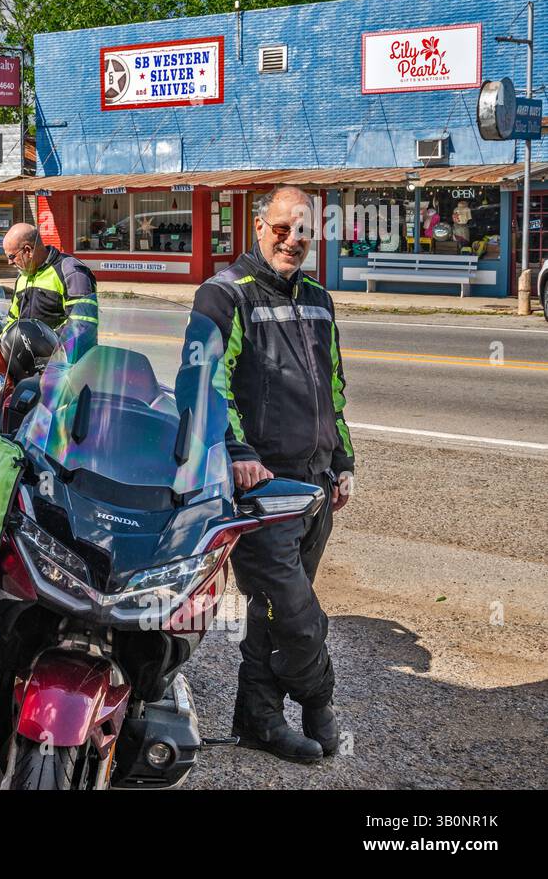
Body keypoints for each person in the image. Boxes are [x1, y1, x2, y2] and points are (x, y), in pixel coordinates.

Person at [192, 185, 354, 764]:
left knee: (269, 612)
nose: (293, 240)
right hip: (261, 489)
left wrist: (342, 460)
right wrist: (236, 451)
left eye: (303, 230)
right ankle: (319, 700)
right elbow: (207, 380)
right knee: (297, 613)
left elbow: (332, 388)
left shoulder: (318, 298)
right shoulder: (224, 294)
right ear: (258, 227)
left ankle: (258, 719)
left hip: (314, 486)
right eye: (282, 228)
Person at [0, 222, 98, 357]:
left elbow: (82, 325)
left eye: (11, 256)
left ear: (28, 250)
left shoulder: (71, 272)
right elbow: (12, 319)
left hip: (64, 362)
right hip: (28, 361)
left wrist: (44, 345)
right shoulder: (23, 276)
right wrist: (3, 339)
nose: (9, 262)